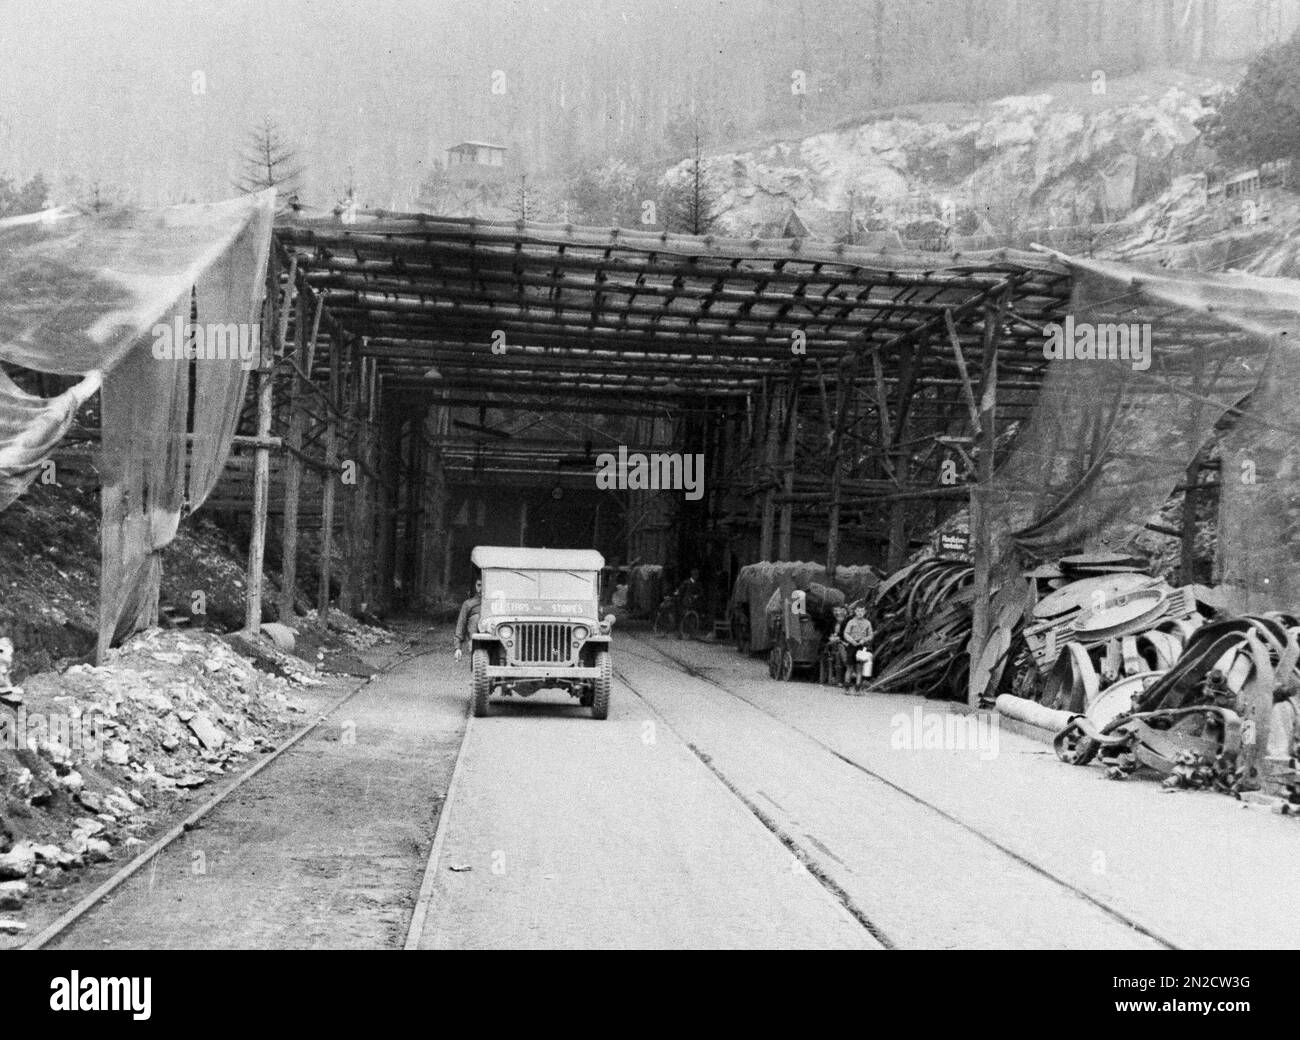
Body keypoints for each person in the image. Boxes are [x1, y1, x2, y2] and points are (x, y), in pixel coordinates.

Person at [842, 603, 874, 694]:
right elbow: (846, 633)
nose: (860, 613)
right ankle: (846, 688)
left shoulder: (867, 623)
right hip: (852, 646)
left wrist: (864, 640)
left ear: (865, 612)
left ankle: (857, 688)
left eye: (862, 611)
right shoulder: (851, 622)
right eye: (858, 611)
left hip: (861, 647)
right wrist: (852, 641)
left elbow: (871, 635)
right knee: (850, 667)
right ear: (855, 611)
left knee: (859, 668)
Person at [453, 578, 482, 662]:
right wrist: (458, 647)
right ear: (475, 586)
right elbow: (461, 623)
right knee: (476, 617)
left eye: (484, 585)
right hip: (476, 638)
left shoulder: (498, 603)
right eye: (479, 585)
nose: (481, 588)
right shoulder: (469, 604)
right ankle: (474, 649)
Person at [825, 604, 850, 685]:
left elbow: (845, 635)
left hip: (843, 644)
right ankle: (847, 666)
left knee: (839, 654)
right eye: (835, 611)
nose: (838, 613)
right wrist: (831, 637)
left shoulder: (847, 622)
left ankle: (841, 679)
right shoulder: (831, 622)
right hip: (834, 644)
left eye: (840, 611)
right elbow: (827, 634)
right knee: (838, 647)